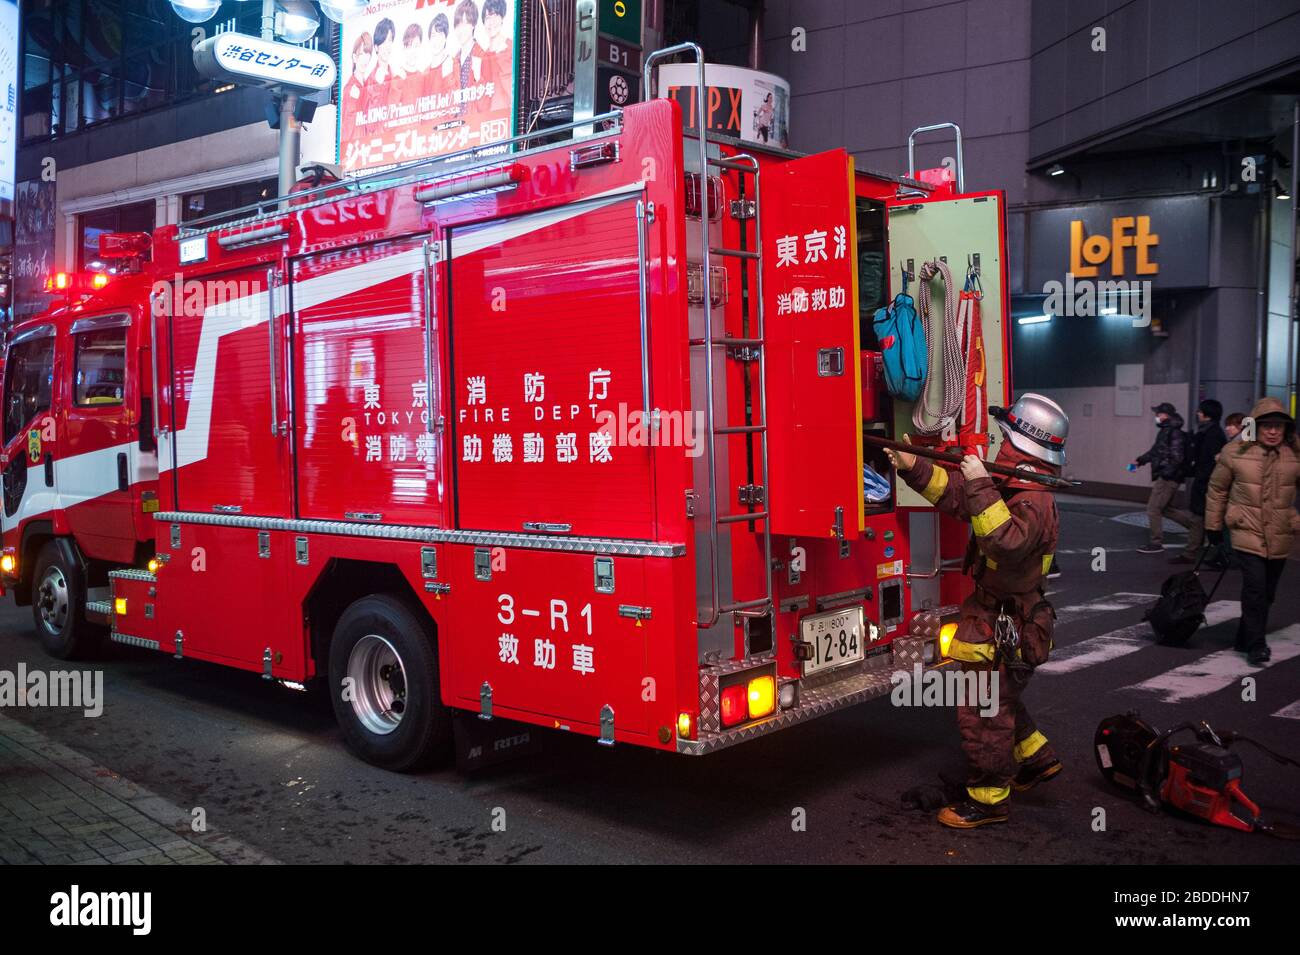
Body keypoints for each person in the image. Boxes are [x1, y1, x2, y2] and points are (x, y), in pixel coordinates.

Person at [886, 393, 1068, 829]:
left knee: (984, 709)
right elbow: (960, 501)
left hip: (1006, 621)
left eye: (1006, 438)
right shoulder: (1018, 482)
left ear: (1025, 442)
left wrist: (982, 483)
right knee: (1001, 697)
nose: (999, 446)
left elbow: (1004, 543)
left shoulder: (1033, 498)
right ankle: (1036, 760)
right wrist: (915, 467)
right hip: (999, 616)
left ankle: (988, 800)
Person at [1204, 398, 1300, 664]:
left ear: (1286, 430)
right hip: (1246, 528)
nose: (1272, 431)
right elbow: (1217, 489)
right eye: (1267, 425)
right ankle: (1256, 644)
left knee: (1267, 592)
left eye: (1278, 427)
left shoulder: (1293, 454)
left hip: (1280, 532)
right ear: (1255, 426)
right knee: (1255, 587)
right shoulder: (1236, 452)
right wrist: (1213, 526)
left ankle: (1246, 635)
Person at [1170, 399, 1227, 564]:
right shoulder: (1207, 432)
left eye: (1201, 411)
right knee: (1201, 518)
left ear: (1208, 415)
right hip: (1205, 482)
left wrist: (1198, 476)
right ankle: (1200, 551)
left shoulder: (1212, 434)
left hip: (1207, 484)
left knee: (1201, 518)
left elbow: (1207, 462)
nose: (1198, 414)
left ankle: (1197, 552)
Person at [1132, 402, 1193, 555]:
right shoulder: (1166, 431)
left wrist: (1166, 473)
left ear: (1166, 415)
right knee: (1166, 509)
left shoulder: (1174, 432)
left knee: (1153, 508)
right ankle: (1197, 529)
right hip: (1168, 475)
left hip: (1168, 477)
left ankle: (1156, 542)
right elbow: (1156, 451)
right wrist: (1140, 460)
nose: (1156, 417)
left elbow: (1177, 457)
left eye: (1158, 414)